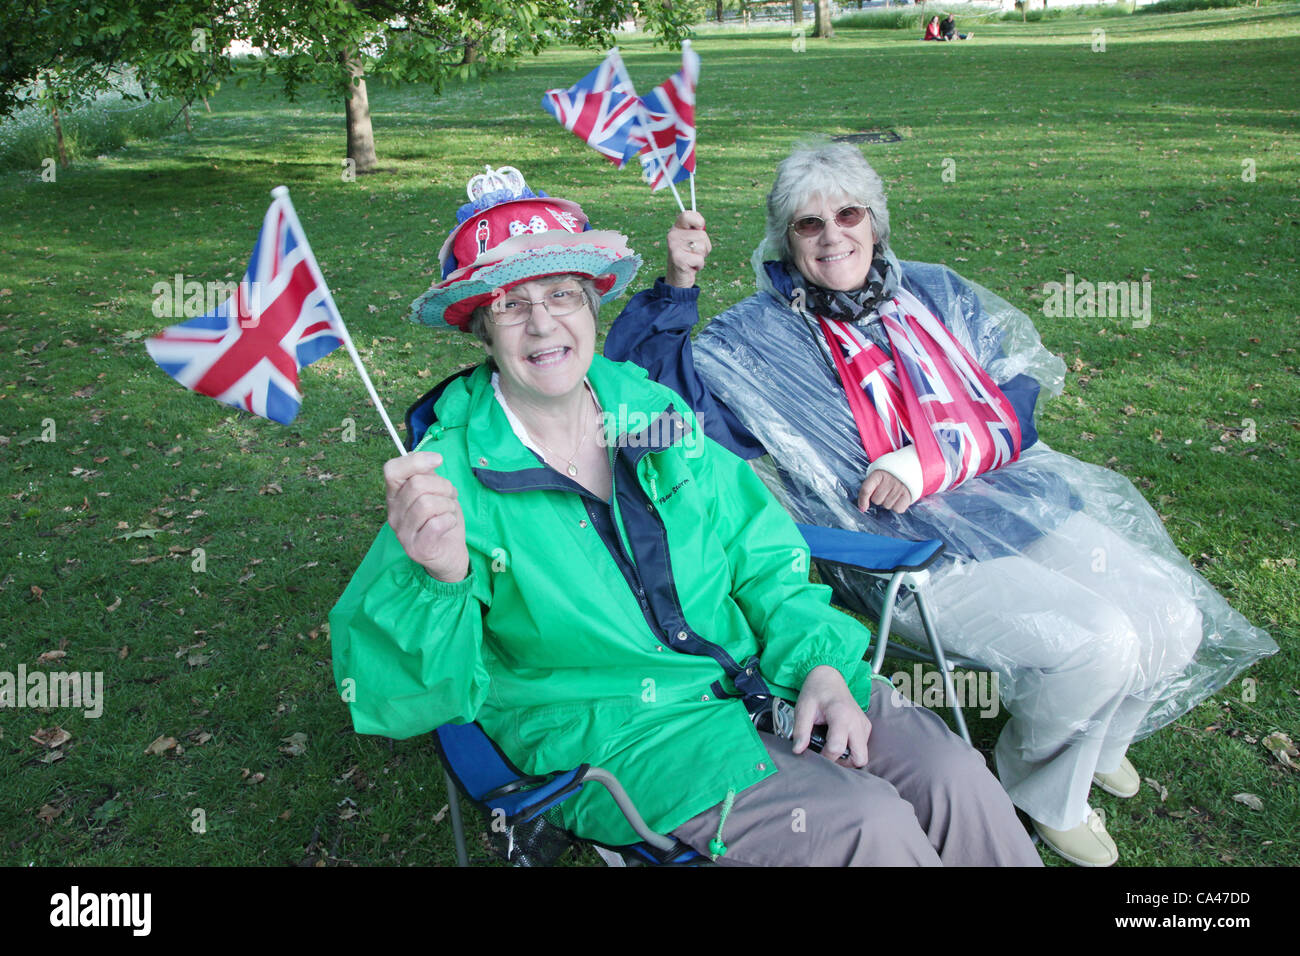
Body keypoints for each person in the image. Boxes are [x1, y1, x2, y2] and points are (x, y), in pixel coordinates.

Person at [329, 166, 1042, 866]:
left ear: (592, 306)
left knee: (955, 777)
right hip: (623, 734)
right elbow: (398, 698)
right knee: (866, 825)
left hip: (771, 671)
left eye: (562, 294)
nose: (542, 322)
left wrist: (821, 663)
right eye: (512, 305)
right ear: (482, 328)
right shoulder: (443, 477)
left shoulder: (654, 413)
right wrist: (441, 580)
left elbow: (763, 557)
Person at [605, 141, 1277, 867]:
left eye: (848, 213)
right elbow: (667, 418)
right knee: (1100, 643)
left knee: (1171, 619)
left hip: (1011, 499)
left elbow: (1017, 394)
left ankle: (1097, 738)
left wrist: (927, 460)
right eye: (808, 224)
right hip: (905, 547)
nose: (833, 235)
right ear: (783, 238)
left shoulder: (935, 291)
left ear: (875, 220)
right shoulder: (755, 340)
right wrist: (677, 288)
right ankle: (1044, 789)